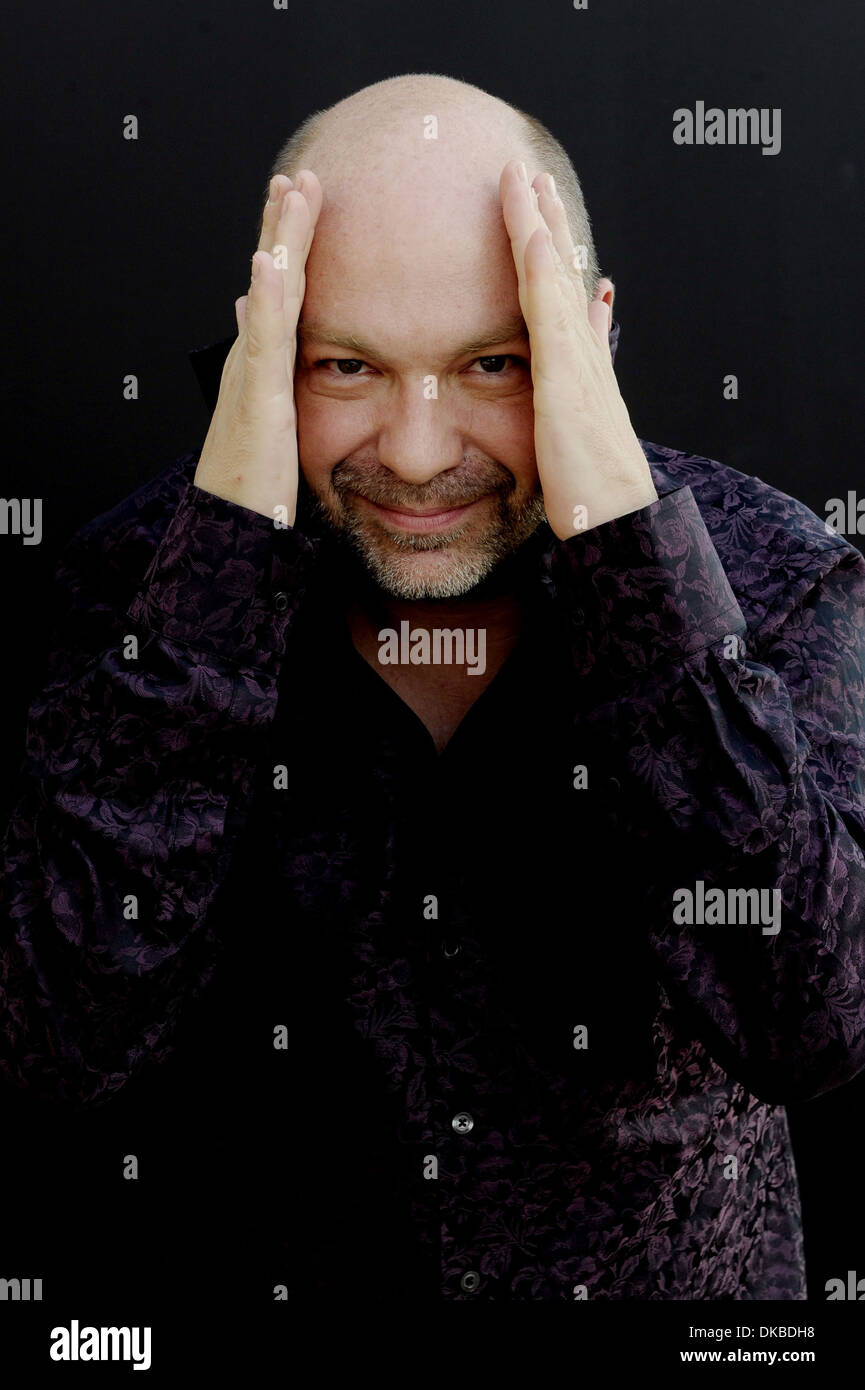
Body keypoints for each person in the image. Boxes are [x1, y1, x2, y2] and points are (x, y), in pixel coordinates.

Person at [2, 72, 864, 1302]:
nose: (415, 453)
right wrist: (215, 593)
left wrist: (636, 575)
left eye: (494, 363)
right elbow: (57, 1041)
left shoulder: (774, 576)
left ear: (592, 333)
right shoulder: (128, 591)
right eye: (344, 365)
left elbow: (819, 1025)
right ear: (265, 346)